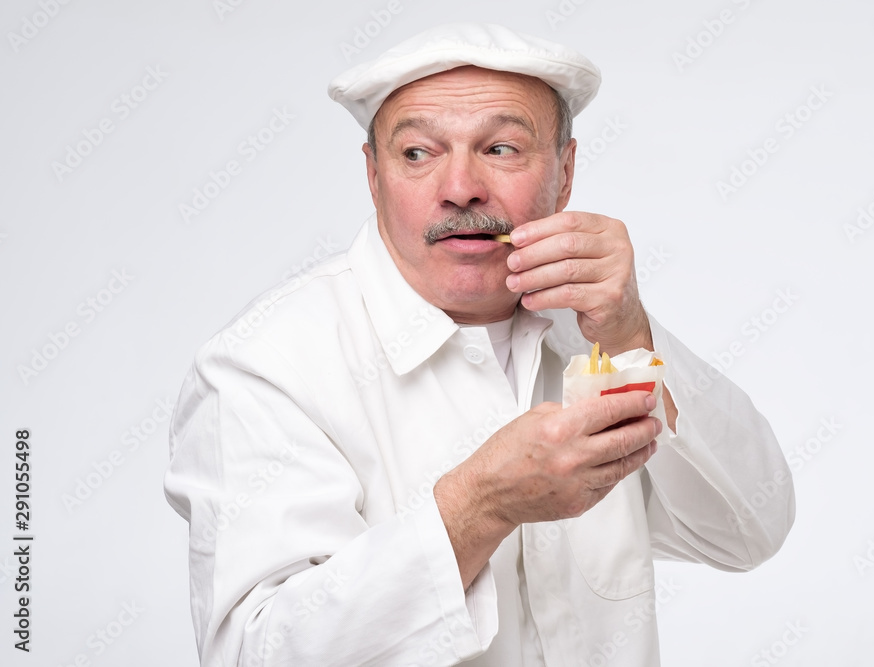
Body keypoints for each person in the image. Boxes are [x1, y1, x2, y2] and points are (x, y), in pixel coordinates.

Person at [164, 22, 795, 667]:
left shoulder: (596, 334)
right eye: (417, 154)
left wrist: (635, 334)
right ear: (373, 176)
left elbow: (750, 530)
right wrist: (479, 505)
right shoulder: (263, 368)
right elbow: (258, 652)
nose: (460, 187)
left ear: (567, 171)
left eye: (500, 149)